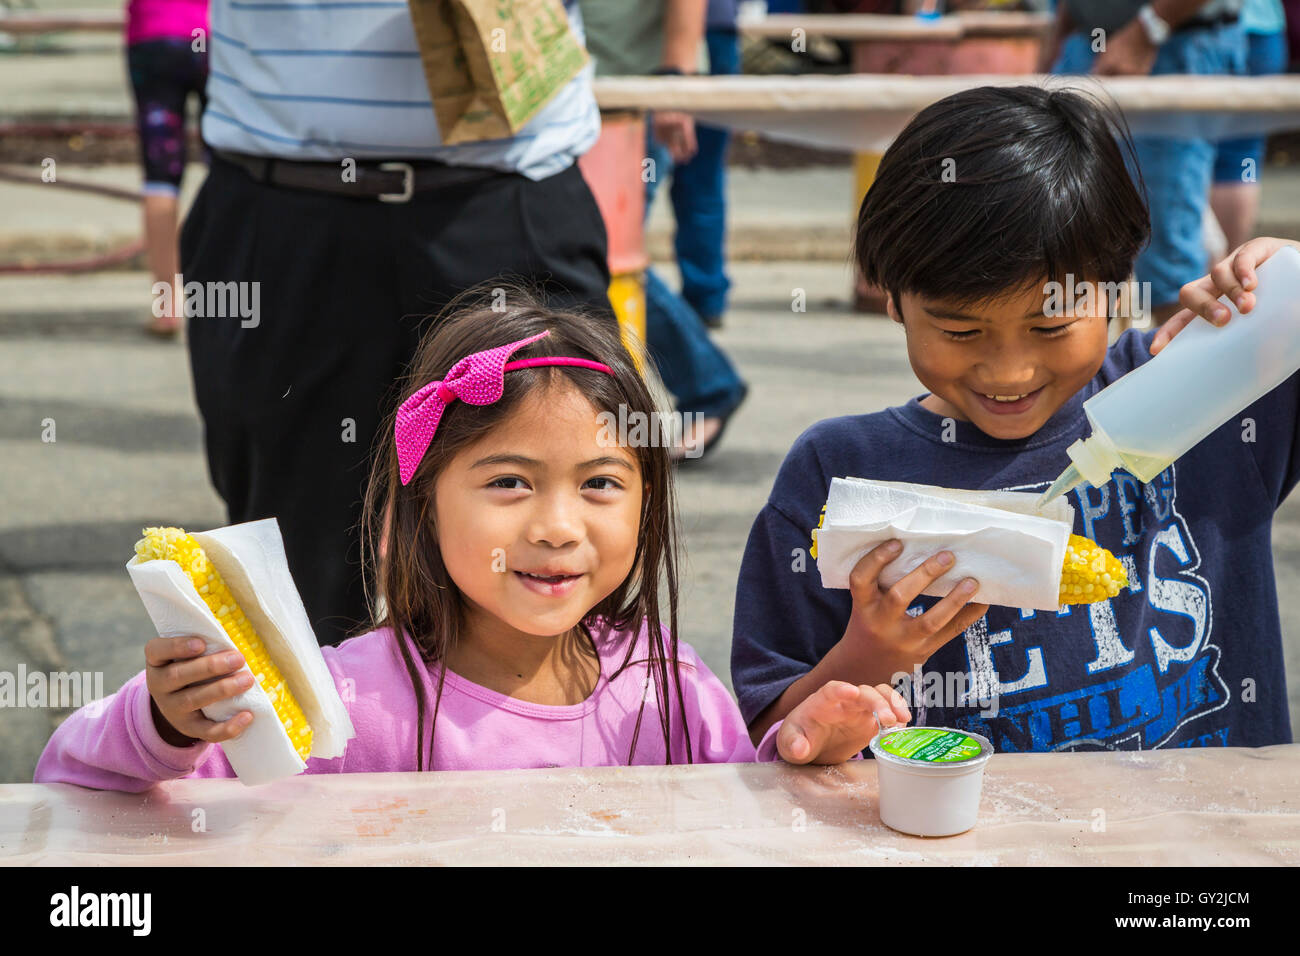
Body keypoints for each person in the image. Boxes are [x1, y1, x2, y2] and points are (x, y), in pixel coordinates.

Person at [35, 293, 911, 788]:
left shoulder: (669, 687)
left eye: (602, 483)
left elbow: (735, 821)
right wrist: (161, 725)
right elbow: (77, 787)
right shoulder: (347, 703)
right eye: (508, 483)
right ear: (420, 507)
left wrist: (799, 750)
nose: (559, 527)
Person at [731, 86, 1297, 754]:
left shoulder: (1196, 397)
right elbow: (771, 741)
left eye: (1050, 325)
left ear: (1118, 288)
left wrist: (1285, 283)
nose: (1010, 373)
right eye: (961, 331)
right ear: (893, 301)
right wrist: (868, 655)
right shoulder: (838, 471)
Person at [182, 1, 616, 649]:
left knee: (559, 542)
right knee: (299, 572)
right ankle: (326, 749)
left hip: (508, 195)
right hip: (285, 206)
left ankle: (546, 751)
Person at [581, 0, 750, 460]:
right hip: (593, 88)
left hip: (636, 89)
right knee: (597, 247)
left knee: (601, 248)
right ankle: (706, 382)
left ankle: (707, 384)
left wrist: (675, 81)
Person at [1045, 0, 1248, 323]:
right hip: (1089, 44)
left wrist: (1151, 26)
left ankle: (1183, 367)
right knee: (1060, 242)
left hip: (1168, 43)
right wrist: (1062, 31)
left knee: (1167, 260)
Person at [124, 0, 209, 336]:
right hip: (211, 36)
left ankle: (168, 308)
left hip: (153, 35)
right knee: (228, 170)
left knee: (160, 178)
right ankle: (229, 298)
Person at [1210, 0, 1290, 255]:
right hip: (1263, 28)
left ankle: (1223, 276)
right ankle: (1229, 274)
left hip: (1199, 31)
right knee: (1240, 155)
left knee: (1180, 151)